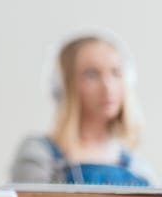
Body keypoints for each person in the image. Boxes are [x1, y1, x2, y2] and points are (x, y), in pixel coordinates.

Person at [11, 34, 156, 185]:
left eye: (115, 73)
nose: (108, 87)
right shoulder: (39, 155)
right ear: (64, 85)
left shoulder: (138, 168)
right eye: (92, 74)